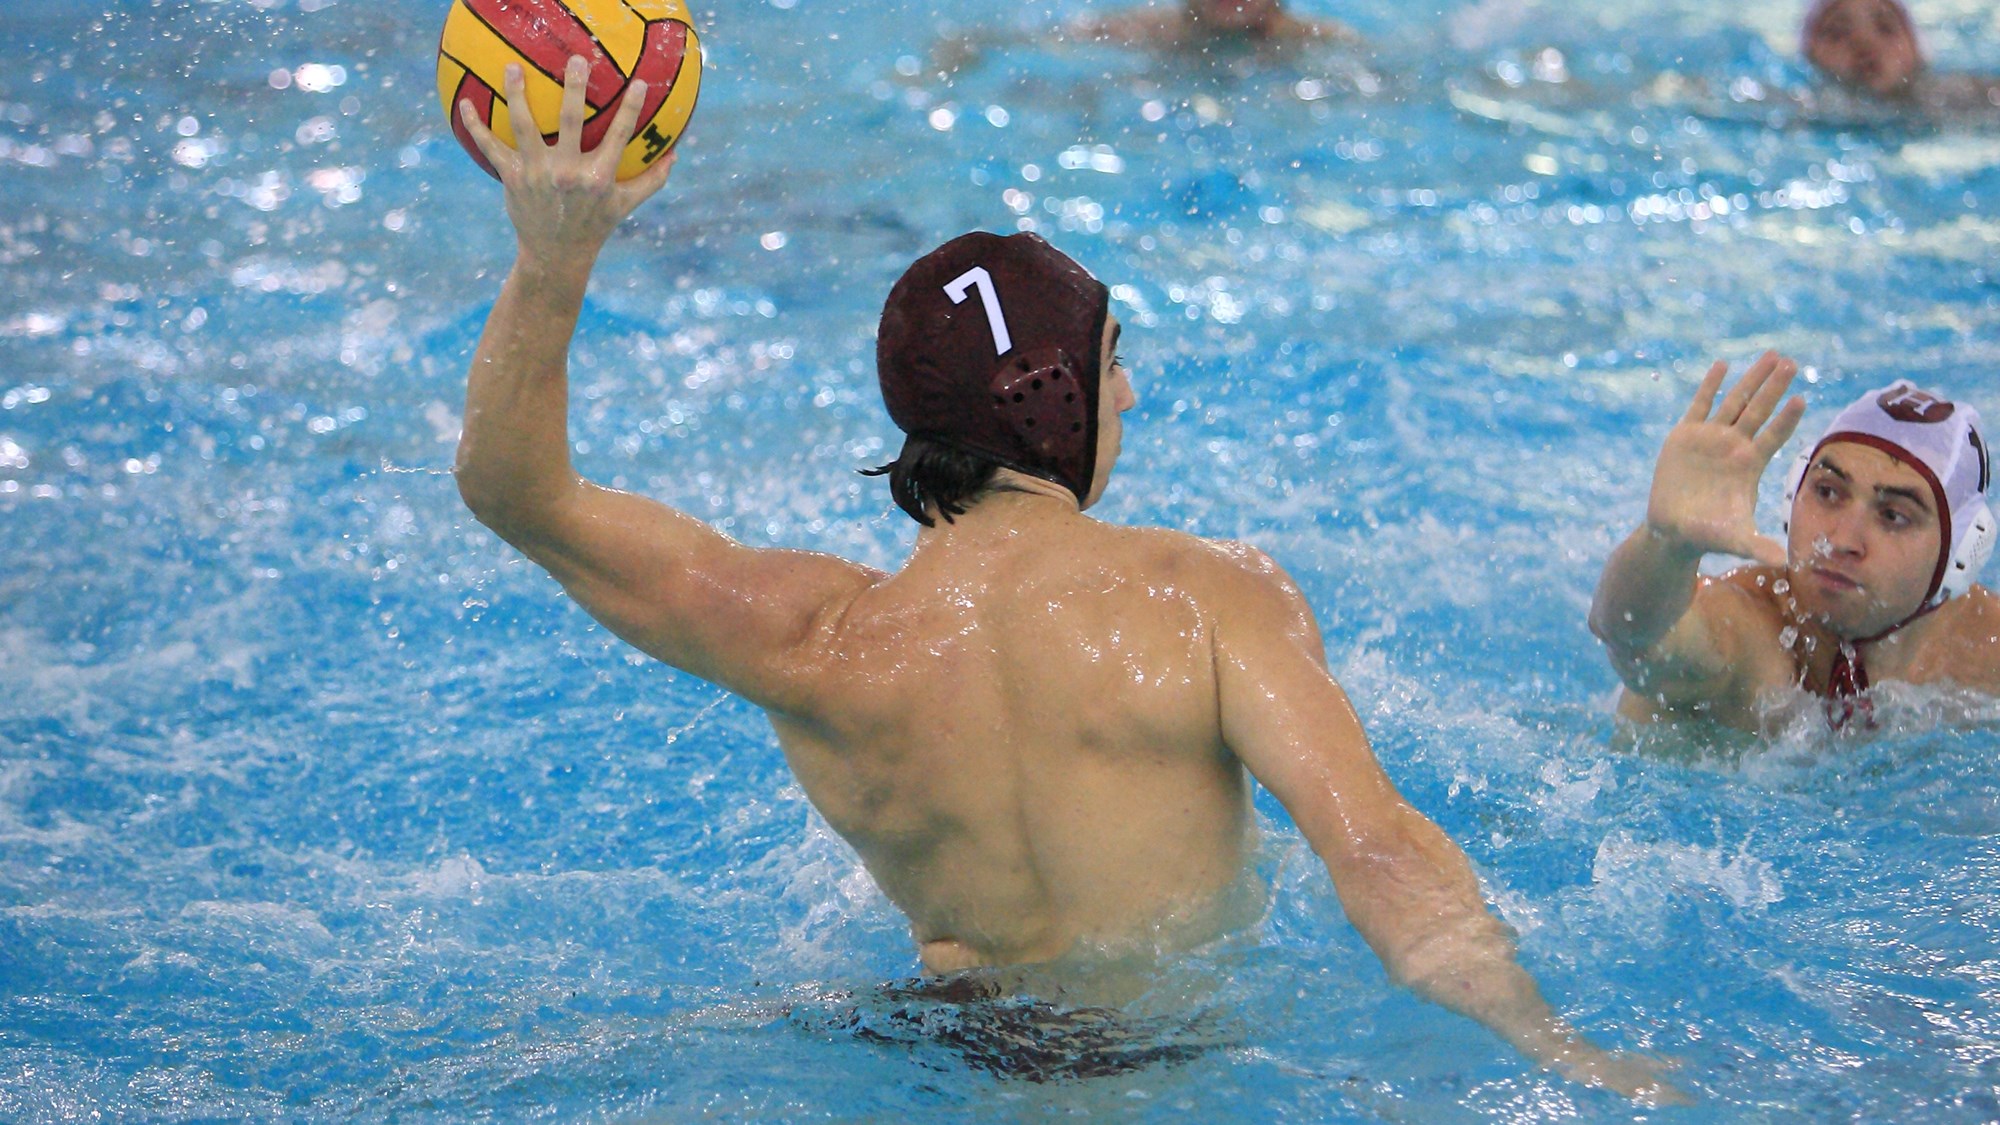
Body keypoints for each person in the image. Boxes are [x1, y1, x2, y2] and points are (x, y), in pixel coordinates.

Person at [452, 58, 1673, 1098]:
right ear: (1049, 395)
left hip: (935, 1053)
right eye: (1110, 361)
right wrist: (1562, 1054)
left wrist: (553, 263)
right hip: (1171, 1066)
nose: (1127, 394)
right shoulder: (1206, 593)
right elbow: (1381, 859)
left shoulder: (813, 637)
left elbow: (517, 494)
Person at [1591, 353, 1999, 731]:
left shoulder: (1986, 651)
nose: (1841, 540)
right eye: (1828, 492)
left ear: (1960, 551)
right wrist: (1665, 545)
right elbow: (1633, 639)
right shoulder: (1748, 635)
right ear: (1792, 495)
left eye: (1893, 516)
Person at [1802, 0, 2000, 113]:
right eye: (1838, 32)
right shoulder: (1807, 110)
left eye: (1885, 27)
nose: (1864, 42)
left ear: (1916, 51)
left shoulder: (1967, 96)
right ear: (1811, 56)